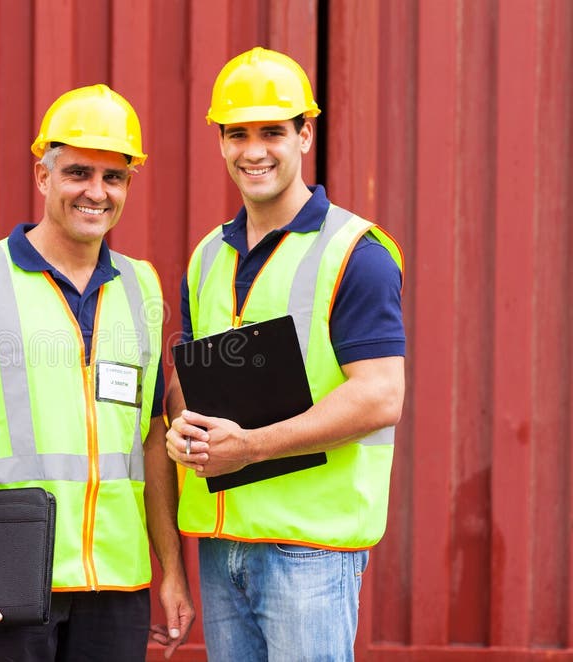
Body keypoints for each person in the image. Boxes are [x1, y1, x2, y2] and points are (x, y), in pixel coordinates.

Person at [0, 84, 194, 662]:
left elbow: (150, 440)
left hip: (116, 584)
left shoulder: (143, 288)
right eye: (77, 173)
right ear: (43, 177)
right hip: (5, 578)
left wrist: (171, 571)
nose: (96, 192)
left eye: (113, 177)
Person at [165, 47, 405, 661]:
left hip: (310, 552)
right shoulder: (206, 258)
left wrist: (250, 446)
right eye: (238, 134)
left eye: (273, 132)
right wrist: (180, 427)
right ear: (219, 141)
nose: (254, 151)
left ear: (304, 134)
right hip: (223, 545)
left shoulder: (356, 252)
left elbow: (380, 394)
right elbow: (189, 381)